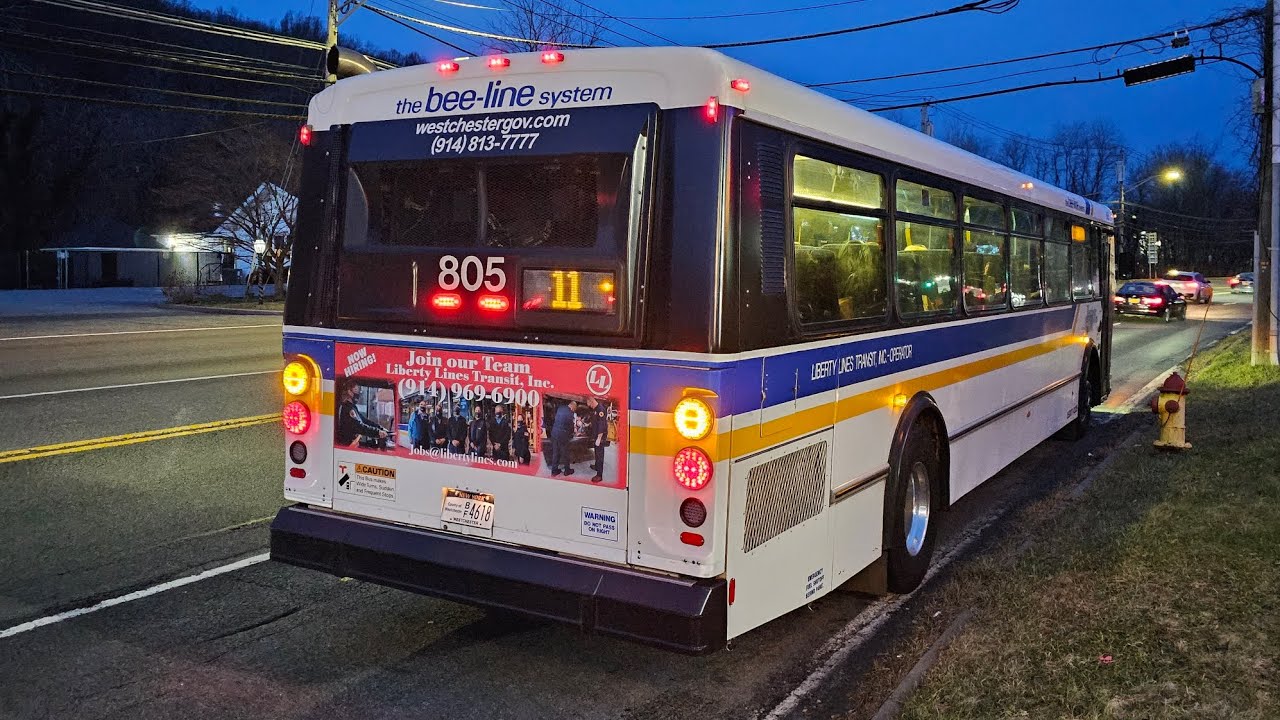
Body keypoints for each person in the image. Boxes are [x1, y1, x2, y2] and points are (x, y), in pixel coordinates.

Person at [336, 380, 388, 448]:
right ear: (349, 392)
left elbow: (364, 420)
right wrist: (377, 432)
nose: (358, 393)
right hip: (347, 445)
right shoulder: (347, 408)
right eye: (356, 390)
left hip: (352, 444)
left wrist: (380, 428)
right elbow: (358, 426)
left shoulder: (352, 407)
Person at [549, 399, 577, 476]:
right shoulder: (570, 413)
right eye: (574, 409)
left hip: (554, 433)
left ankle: (554, 472)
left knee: (555, 453)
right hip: (562, 436)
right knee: (565, 453)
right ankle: (567, 471)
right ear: (572, 406)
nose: (573, 410)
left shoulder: (560, 408)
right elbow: (570, 427)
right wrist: (572, 433)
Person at [586, 396, 609, 483]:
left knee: (600, 455)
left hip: (601, 437)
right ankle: (596, 466)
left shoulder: (600, 410)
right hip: (596, 436)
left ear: (591, 401)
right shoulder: (595, 409)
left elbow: (601, 425)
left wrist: (599, 439)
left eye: (589, 404)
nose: (589, 406)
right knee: (596, 452)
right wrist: (587, 425)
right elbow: (595, 422)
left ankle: (599, 475)